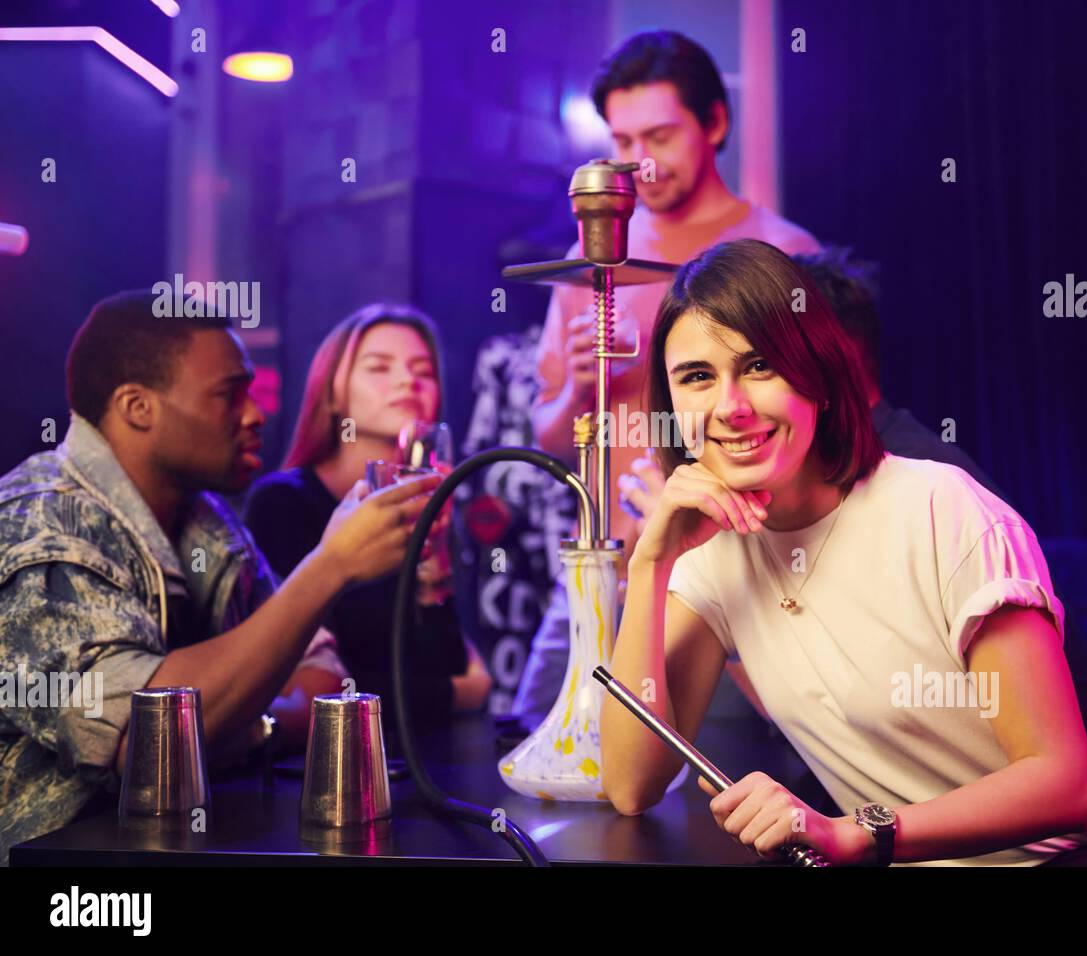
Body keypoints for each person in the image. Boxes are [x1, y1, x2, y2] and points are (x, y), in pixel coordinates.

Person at [600, 240, 1087, 865]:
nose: (731, 407)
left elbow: (1065, 784)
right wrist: (650, 566)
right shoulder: (709, 552)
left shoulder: (939, 506)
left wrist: (852, 832)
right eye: (697, 377)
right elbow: (631, 783)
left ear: (820, 378)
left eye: (759, 367)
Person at [0, 291, 440, 865]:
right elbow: (150, 737)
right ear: (138, 407)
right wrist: (329, 565)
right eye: (228, 394)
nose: (255, 414)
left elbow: (324, 678)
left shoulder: (208, 520)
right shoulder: (36, 527)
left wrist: (236, 727)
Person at [513, 29, 819, 725]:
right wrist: (583, 383)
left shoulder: (785, 251)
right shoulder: (589, 258)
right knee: (540, 755)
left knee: (720, 788)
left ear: (715, 123)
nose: (638, 165)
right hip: (607, 567)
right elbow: (552, 443)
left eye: (658, 136)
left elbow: (819, 435)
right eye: (621, 143)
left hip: (743, 577)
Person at [243, 304, 490, 738]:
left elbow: (444, 662)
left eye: (423, 370)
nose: (406, 381)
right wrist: (458, 693)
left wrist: (435, 565)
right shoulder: (283, 504)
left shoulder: (431, 507)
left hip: (421, 762)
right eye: (379, 367)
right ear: (334, 392)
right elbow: (333, 689)